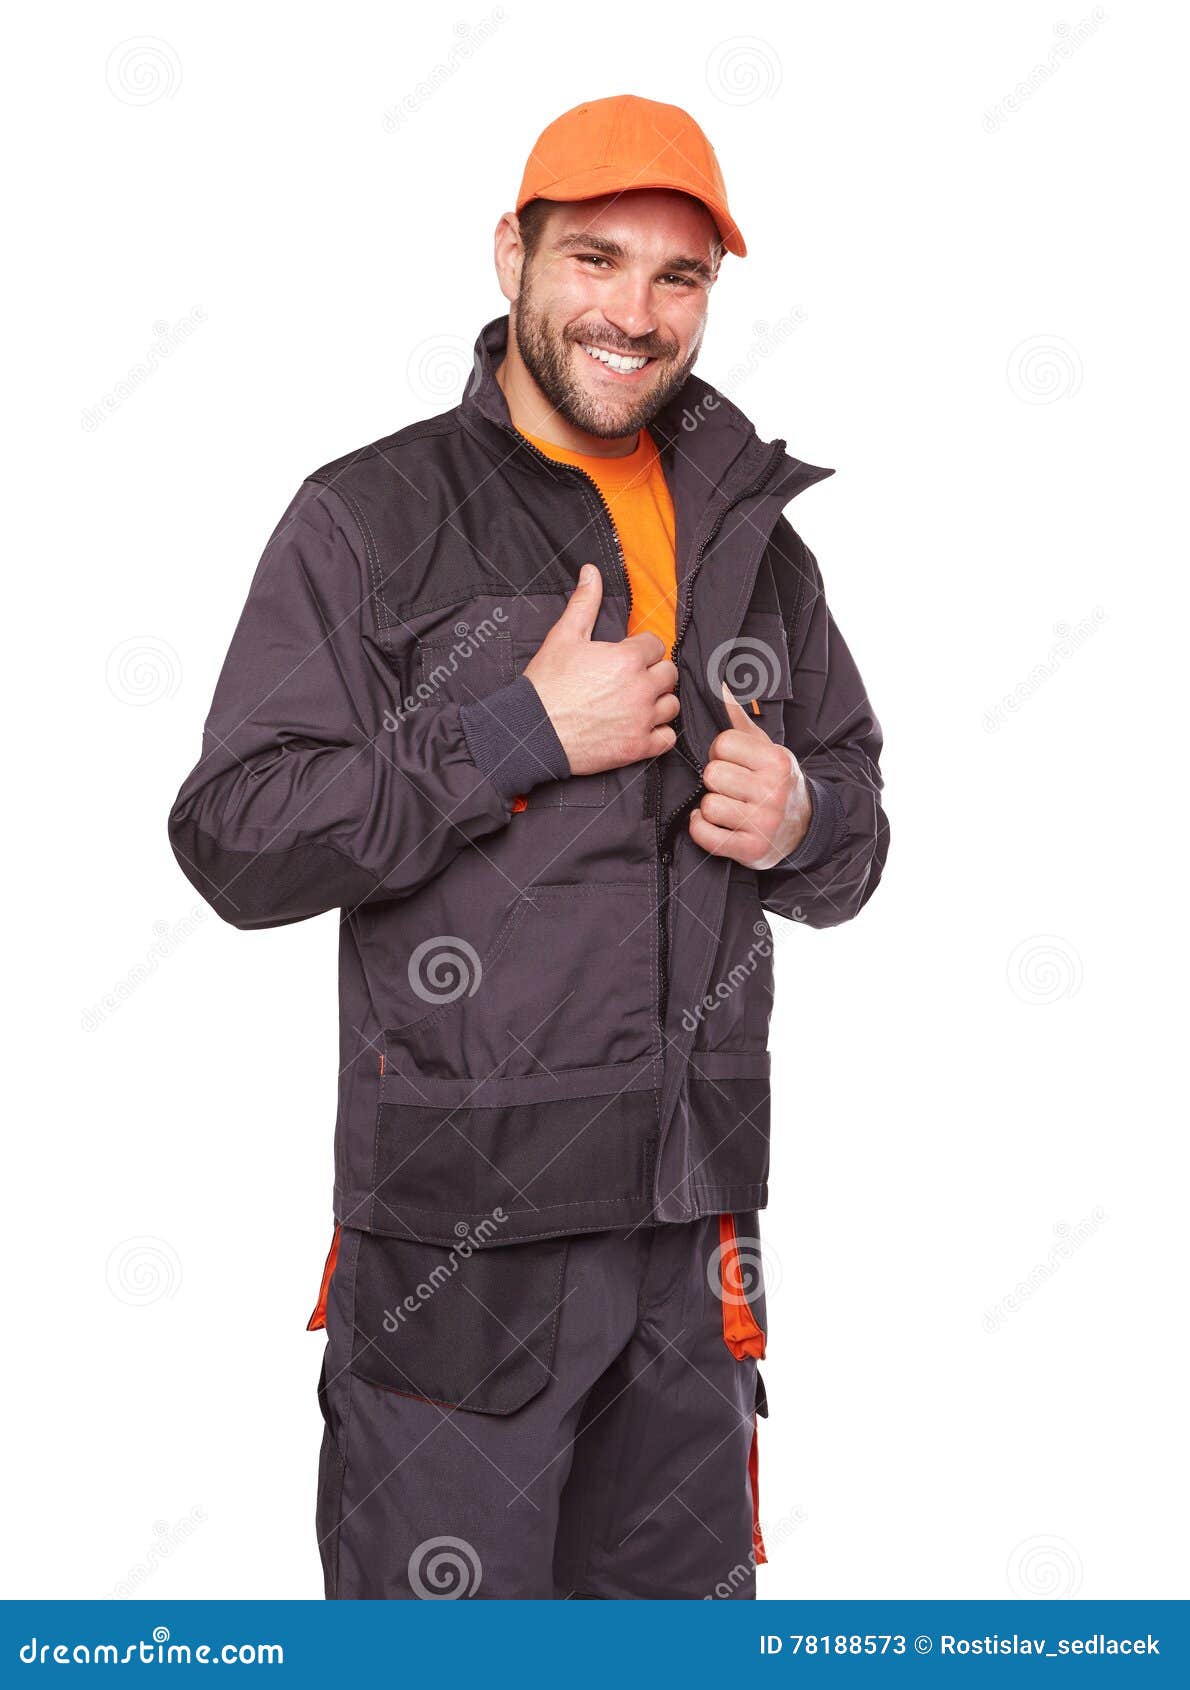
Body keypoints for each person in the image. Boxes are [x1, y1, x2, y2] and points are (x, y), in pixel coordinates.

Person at [168, 92, 889, 1600]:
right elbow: (234, 837)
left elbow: (853, 829)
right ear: (513, 254)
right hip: (461, 1252)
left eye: (677, 276)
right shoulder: (371, 516)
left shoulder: (753, 537)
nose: (633, 312)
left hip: (696, 1249)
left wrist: (806, 819)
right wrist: (507, 738)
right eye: (594, 259)